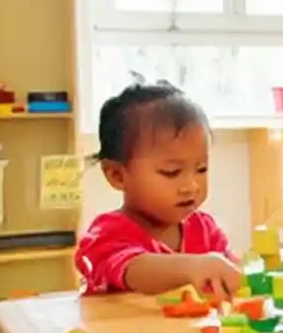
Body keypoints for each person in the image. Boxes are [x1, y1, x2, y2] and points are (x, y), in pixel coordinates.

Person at [75, 82, 241, 298]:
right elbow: (134, 270)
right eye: (171, 172)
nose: (191, 186)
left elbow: (230, 275)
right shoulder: (107, 234)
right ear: (117, 175)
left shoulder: (205, 230)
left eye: (201, 169)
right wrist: (193, 267)